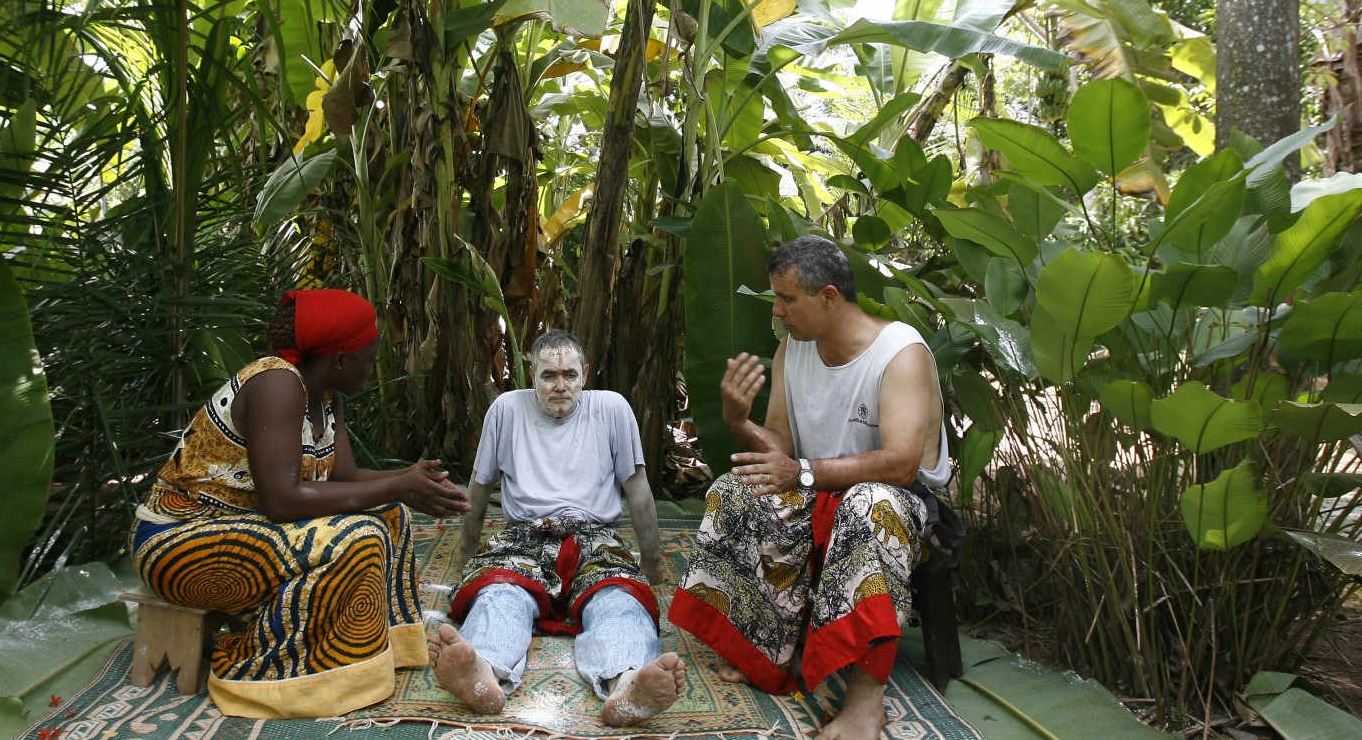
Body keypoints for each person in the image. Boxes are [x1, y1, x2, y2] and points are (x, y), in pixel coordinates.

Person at [130, 289, 471, 718]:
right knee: (356, 537)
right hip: (177, 543)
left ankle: (375, 652)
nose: (373, 367)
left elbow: (344, 478)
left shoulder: (326, 395)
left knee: (391, 516)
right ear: (341, 359)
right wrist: (399, 485)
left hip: (247, 531)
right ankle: (273, 673)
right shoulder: (276, 382)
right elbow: (283, 501)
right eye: (370, 356)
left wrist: (410, 479)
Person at [669, 236, 950, 740]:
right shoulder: (791, 350)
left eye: (786, 299)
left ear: (827, 297)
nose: (776, 312)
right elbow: (778, 441)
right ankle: (771, 653)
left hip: (896, 500)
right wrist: (738, 422)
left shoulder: (900, 354)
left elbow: (902, 464)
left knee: (869, 505)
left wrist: (801, 473)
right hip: (816, 487)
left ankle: (867, 699)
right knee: (735, 490)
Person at [428, 329, 687, 725]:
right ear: (531, 376)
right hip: (524, 536)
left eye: (569, 374)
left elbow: (638, 489)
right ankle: (483, 670)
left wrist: (651, 565)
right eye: (549, 375)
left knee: (617, 599)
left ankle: (629, 681)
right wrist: (466, 553)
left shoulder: (612, 408)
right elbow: (479, 487)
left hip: (594, 537)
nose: (560, 385)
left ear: (585, 373)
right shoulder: (506, 409)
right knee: (499, 594)